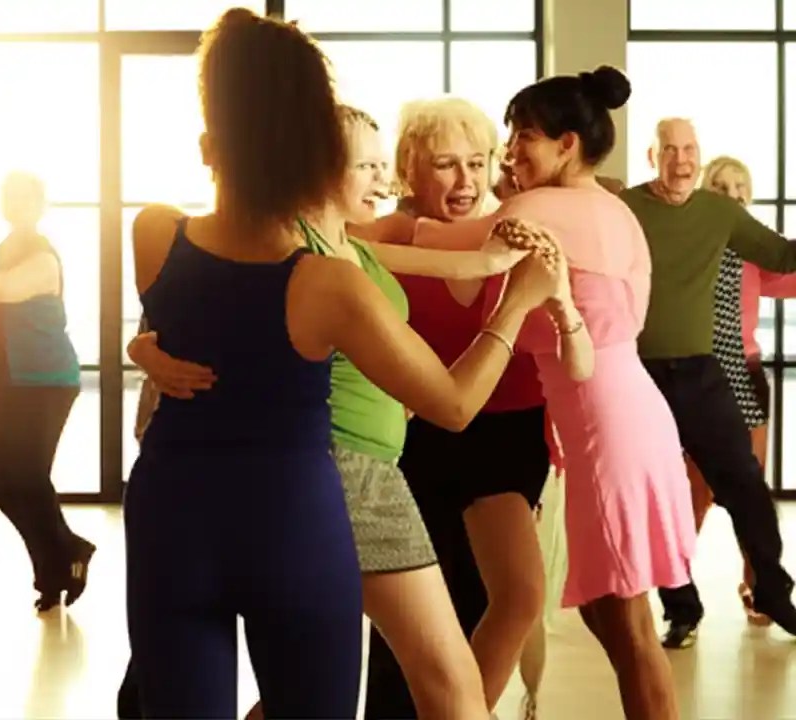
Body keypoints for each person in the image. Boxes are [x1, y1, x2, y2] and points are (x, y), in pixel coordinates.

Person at [124, 9, 562, 718]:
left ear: (209, 147)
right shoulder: (327, 287)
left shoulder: (153, 235)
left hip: (172, 518)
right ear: (312, 160)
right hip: (294, 520)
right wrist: (517, 304)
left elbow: (182, 317)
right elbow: (451, 405)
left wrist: (141, 351)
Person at [365, 65, 694, 720]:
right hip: (626, 415)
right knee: (612, 620)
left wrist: (343, 241)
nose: (510, 155)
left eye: (519, 139)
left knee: (621, 628)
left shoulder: (535, 210)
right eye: (508, 139)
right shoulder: (613, 207)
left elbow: (465, 263)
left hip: (596, 430)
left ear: (566, 144)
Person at [356, 97, 553, 718]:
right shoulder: (386, 235)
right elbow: (308, 246)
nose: (465, 180)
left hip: (509, 439)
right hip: (420, 441)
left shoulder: (519, 231)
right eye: (445, 165)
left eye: (477, 162)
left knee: (511, 597)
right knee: (413, 626)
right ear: (409, 169)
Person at [621, 118, 796, 648]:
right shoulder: (625, 209)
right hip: (637, 377)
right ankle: (681, 608)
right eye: (670, 149)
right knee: (661, 499)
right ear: (652, 156)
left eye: (689, 149)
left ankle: (772, 590)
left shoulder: (719, 214)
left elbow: (784, 258)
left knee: (745, 485)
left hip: (702, 373)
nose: (681, 159)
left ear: (699, 156)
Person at [0, 171, 95, 612]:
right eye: (8, 196)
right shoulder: (5, 250)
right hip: (10, 379)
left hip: (46, 381)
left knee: (28, 477)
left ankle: (52, 569)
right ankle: (66, 550)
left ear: (40, 205)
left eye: (24, 197)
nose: (14, 204)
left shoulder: (42, 258)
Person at [693, 155, 796, 629]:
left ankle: (759, 586)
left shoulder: (757, 253)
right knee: (691, 493)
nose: (732, 194)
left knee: (750, 492)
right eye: (721, 186)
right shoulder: (687, 249)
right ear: (704, 192)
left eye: (740, 187)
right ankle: (679, 598)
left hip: (746, 375)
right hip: (692, 376)